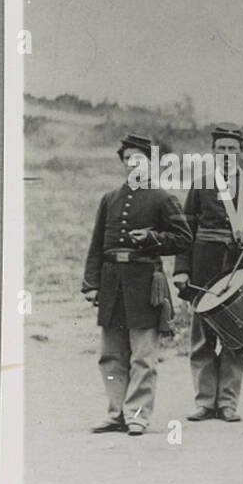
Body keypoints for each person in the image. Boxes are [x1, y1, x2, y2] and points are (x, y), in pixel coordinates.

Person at [81, 133, 193, 435]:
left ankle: (137, 416)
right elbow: (96, 246)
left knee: (143, 356)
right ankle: (116, 412)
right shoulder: (110, 199)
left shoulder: (162, 198)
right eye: (128, 158)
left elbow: (184, 239)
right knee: (111, 354)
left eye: (139, 158)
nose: (133, 163)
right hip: (112, 284)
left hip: (144, 285)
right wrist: (91, 284)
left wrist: (154, 239)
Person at [172, 123, 243, 422]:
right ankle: (205, 401)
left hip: (240, 267)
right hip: (204, 268)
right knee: (202, 338)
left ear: (240, 151)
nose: (227, 154)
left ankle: (228, 403)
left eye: (232, 149)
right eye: (221, 149)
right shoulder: (201, 183)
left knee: (236, 335)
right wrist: (182, 270)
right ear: (213, 153)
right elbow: (184, 230)